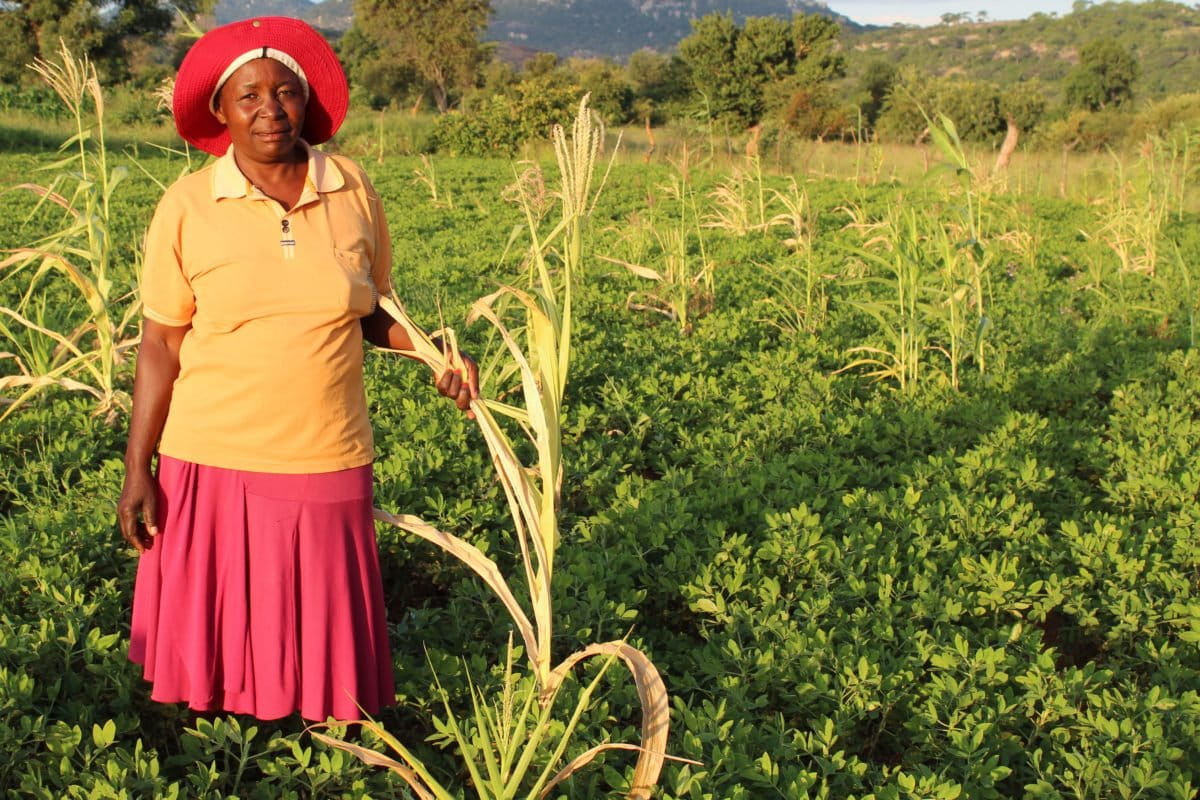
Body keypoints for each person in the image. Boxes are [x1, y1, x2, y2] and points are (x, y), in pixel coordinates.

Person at [116, 17, 478, 722]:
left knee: (317, 625)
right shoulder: (188, 205)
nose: (270, 109)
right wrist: (139, 467)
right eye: (248, 95)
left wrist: (435, 351)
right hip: (210, 451)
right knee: (218, 633)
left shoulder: (351, 188)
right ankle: (231, 755)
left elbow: (372, 309)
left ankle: (315, 751)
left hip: (326, 446)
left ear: (306, 102)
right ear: (220, 111)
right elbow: (160, 343)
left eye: (285, 92)